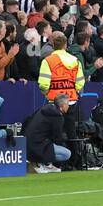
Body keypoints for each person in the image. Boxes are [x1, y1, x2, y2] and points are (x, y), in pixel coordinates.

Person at [37, 31, 85, 165]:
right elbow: (80, 82)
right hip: (71, 101)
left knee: (55, 132)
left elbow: (44, 83)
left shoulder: (48, 60)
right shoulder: (75, 61)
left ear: (53, 45)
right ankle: (75, 161)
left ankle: (58, 162)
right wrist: (73, 92)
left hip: (54, 102)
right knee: (71, 132)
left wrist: (46, 93)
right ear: (66, 46)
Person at [26, 93, 73, 173]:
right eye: (67, 104)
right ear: (63, 105)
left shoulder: (43, 109)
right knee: (67, 153)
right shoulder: (58, 117)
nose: (68, 106)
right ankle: (43, 163)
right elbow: (57, 138)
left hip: (28, 144)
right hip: (38, 145)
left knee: (50, 144)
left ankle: (41, 162)